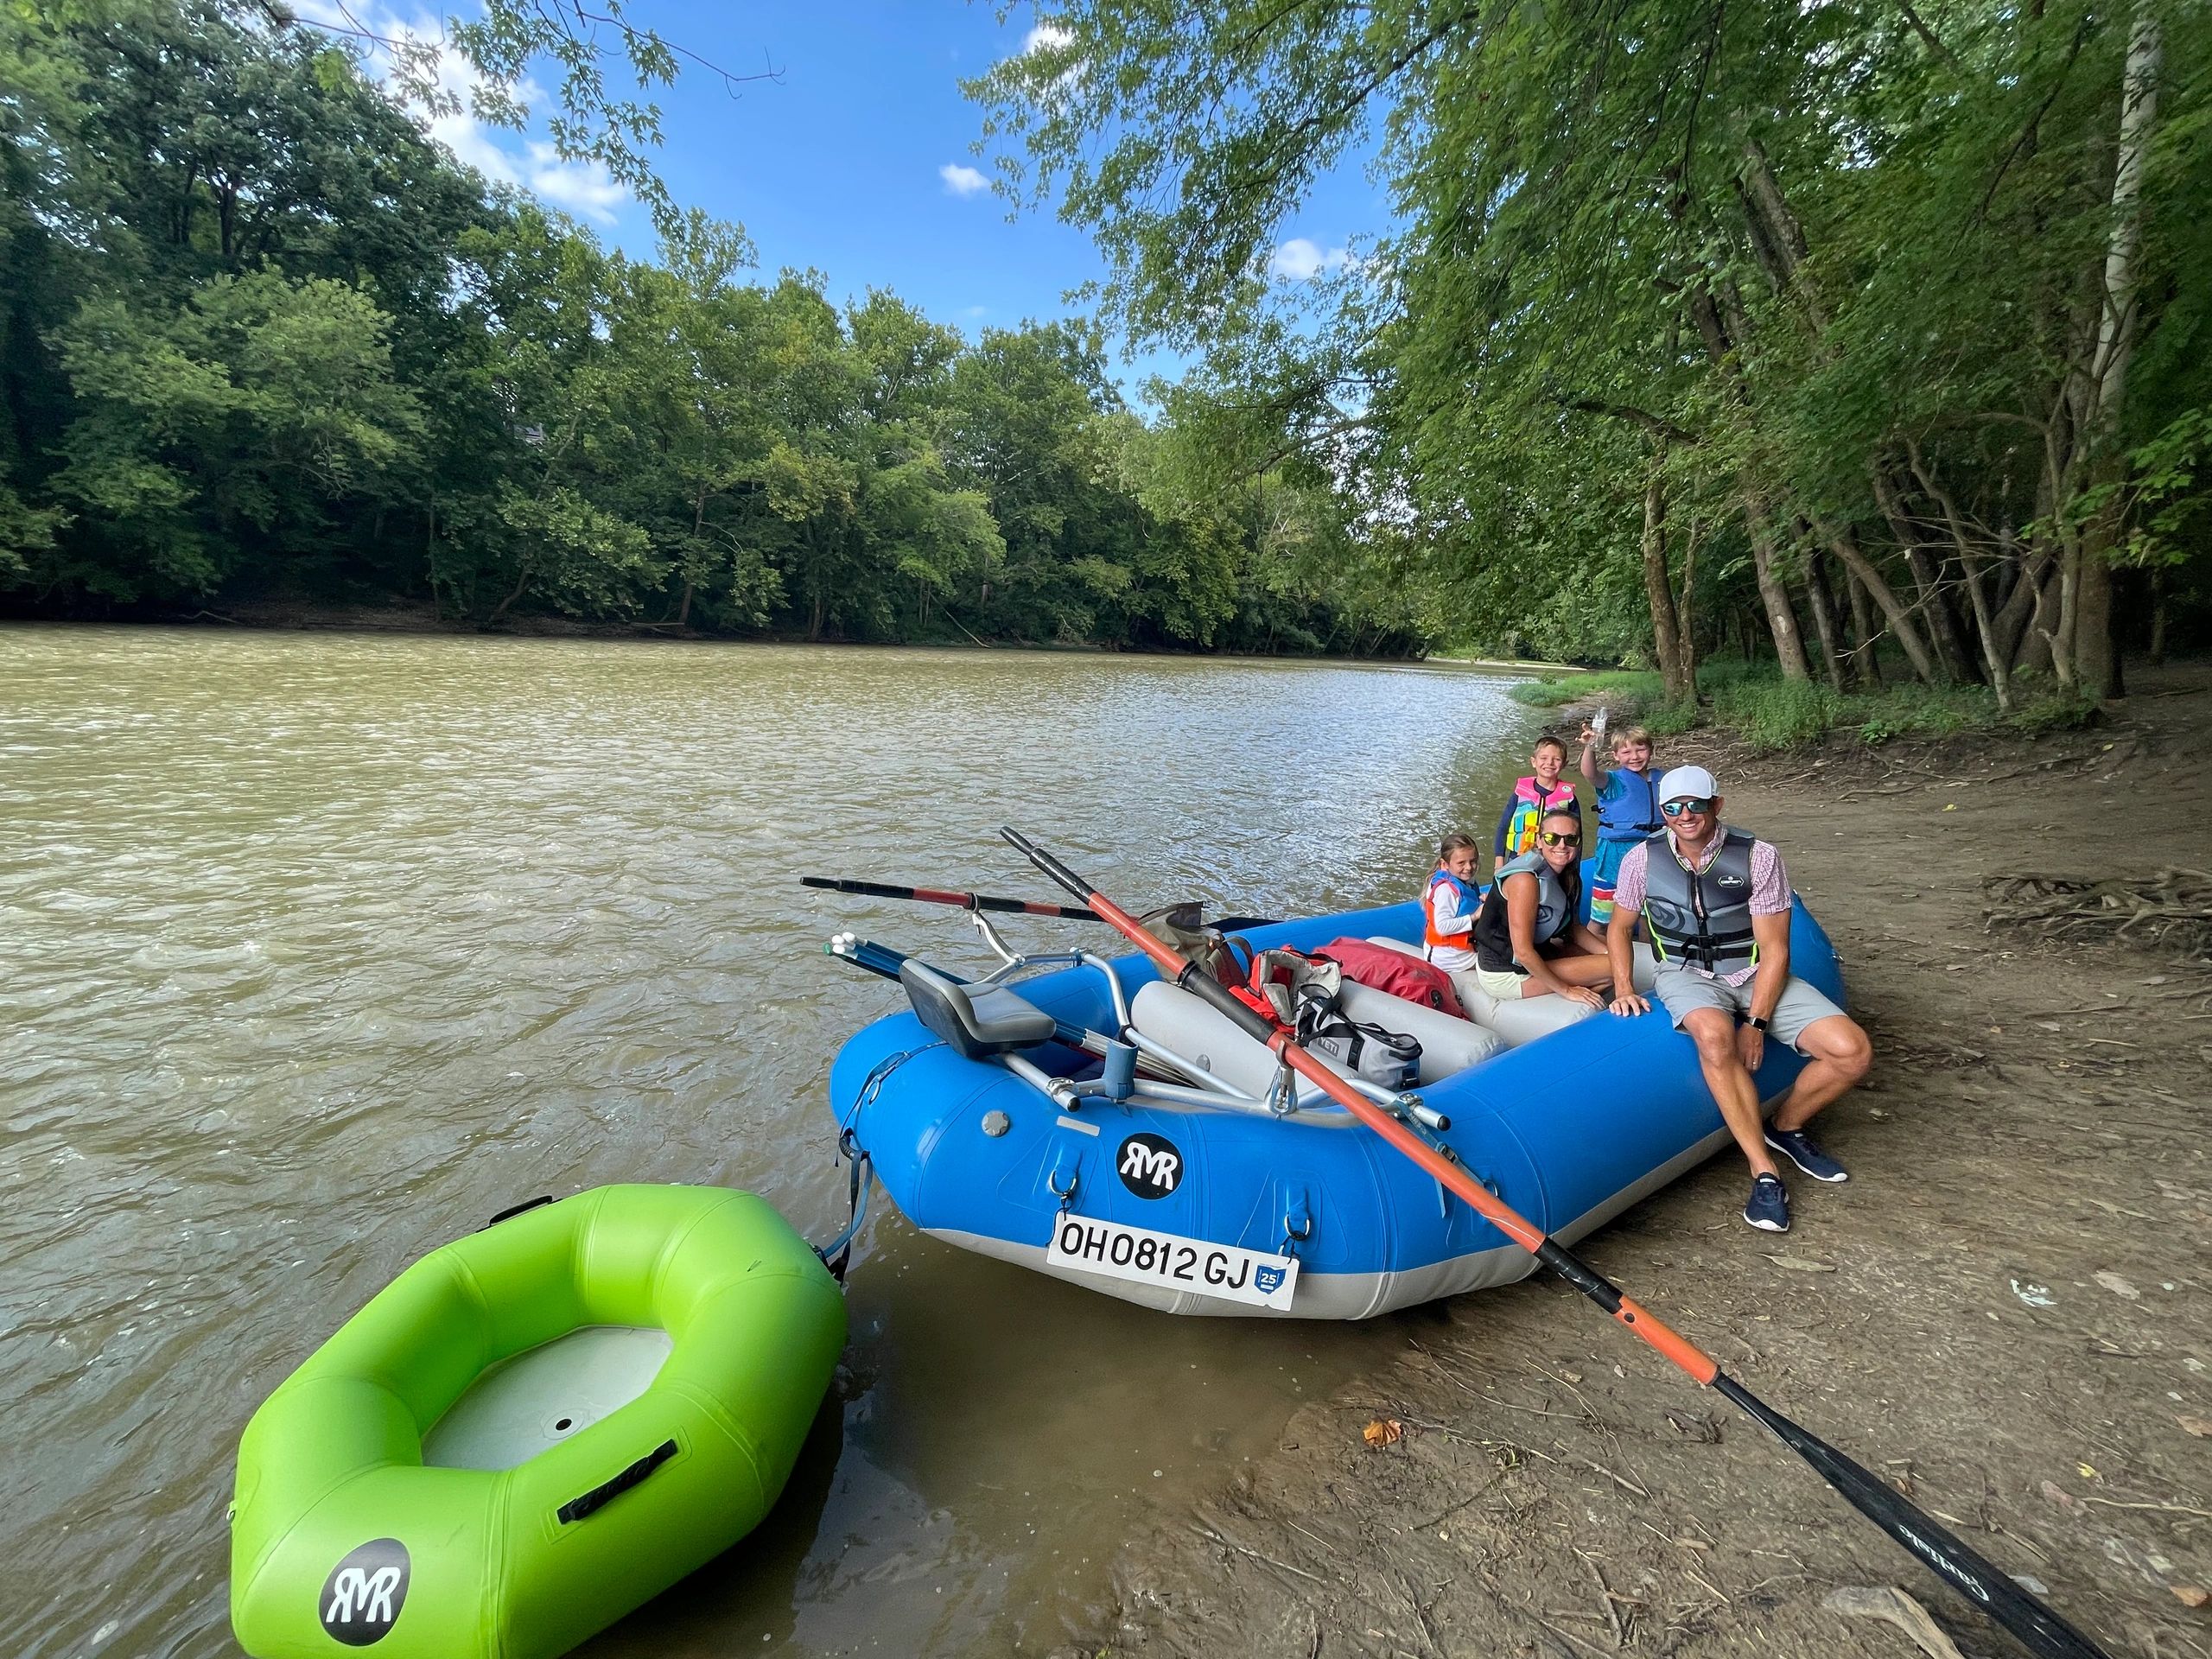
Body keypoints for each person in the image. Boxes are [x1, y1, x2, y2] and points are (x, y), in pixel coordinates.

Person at [1604, 766, 1873, 1234]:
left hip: (1752, 972)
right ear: (1663, 812)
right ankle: (1763, 1170)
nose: (1685, 815)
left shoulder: (1758, 857)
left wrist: (1757, 1024)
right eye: (1673, 807)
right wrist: (1624, 987)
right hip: (1685, 972)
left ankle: (1785, 1125)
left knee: (1853, 1052)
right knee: (1713, 1037)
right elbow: (1619, 928)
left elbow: (1776, 950)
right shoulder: (1640, 860)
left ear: (1717, 805)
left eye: (1695, 804)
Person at [1472, 809, 1612, 1007]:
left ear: (1578, 842)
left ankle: (1584, 996)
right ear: (1539, 841)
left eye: (1571, 839)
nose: (1562, 845)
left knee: (1616, 954)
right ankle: (1570, 1005)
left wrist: (1607, 952)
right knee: (1613, 968)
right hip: (1506, 972)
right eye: (1552, 838)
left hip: (1540, 952)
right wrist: (1567, 990)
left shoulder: (1568, 876)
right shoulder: (1525, 881)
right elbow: (1523, 953)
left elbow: (1572, 928)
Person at [1579, 720, 1662, 929]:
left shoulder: (1664, 779)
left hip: (1651, 850)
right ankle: (1595, 946)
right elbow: (1590, 773)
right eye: (1626, 752)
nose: (1635, 756)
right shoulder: (1612, 781)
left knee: (1647, 918)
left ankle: (1647, 949)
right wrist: (1590, 747)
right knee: (1602, 916)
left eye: (1640, 750)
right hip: (1614, 853)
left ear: (1651, 751)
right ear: (1615, 756)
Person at [1492, 734, 1580, 873]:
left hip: (1553, 861)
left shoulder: (1569, 798)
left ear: (1564, 764)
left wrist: (1574, 871)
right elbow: (1503, 827)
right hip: (1517, 857)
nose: (1549, 763)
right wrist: (1499, 863)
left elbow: (1576, 837)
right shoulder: (1520, 793)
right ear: (1533, 762)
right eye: (1543, 758)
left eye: (1556, 759)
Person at [1421, 833, 1484, 979]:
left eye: (1473, 861)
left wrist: (1480, 900)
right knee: (1501, 959)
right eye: (1461, 863)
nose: (1469, 867)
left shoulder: (1463, 881)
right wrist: (1474, 916)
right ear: (1445, 864)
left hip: (1456, 952)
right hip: (1449, 958)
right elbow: (1443, 927)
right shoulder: (1446, 890)